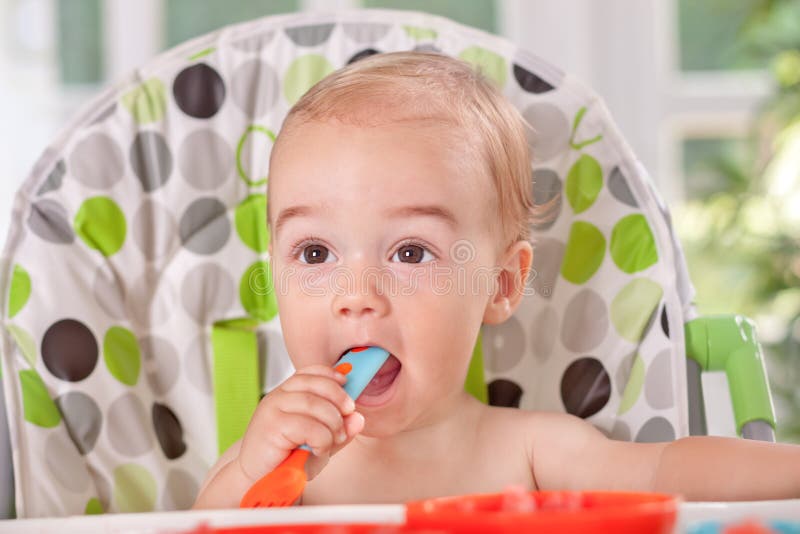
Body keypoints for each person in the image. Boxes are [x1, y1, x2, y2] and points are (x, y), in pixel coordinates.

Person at [193, 51, 800, 508]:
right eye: (316, 251)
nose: (357, 297)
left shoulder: (528, 451)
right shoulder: (271, 465)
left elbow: (668, 473)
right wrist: (252, 475)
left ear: (503, 284)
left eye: (409, 253)